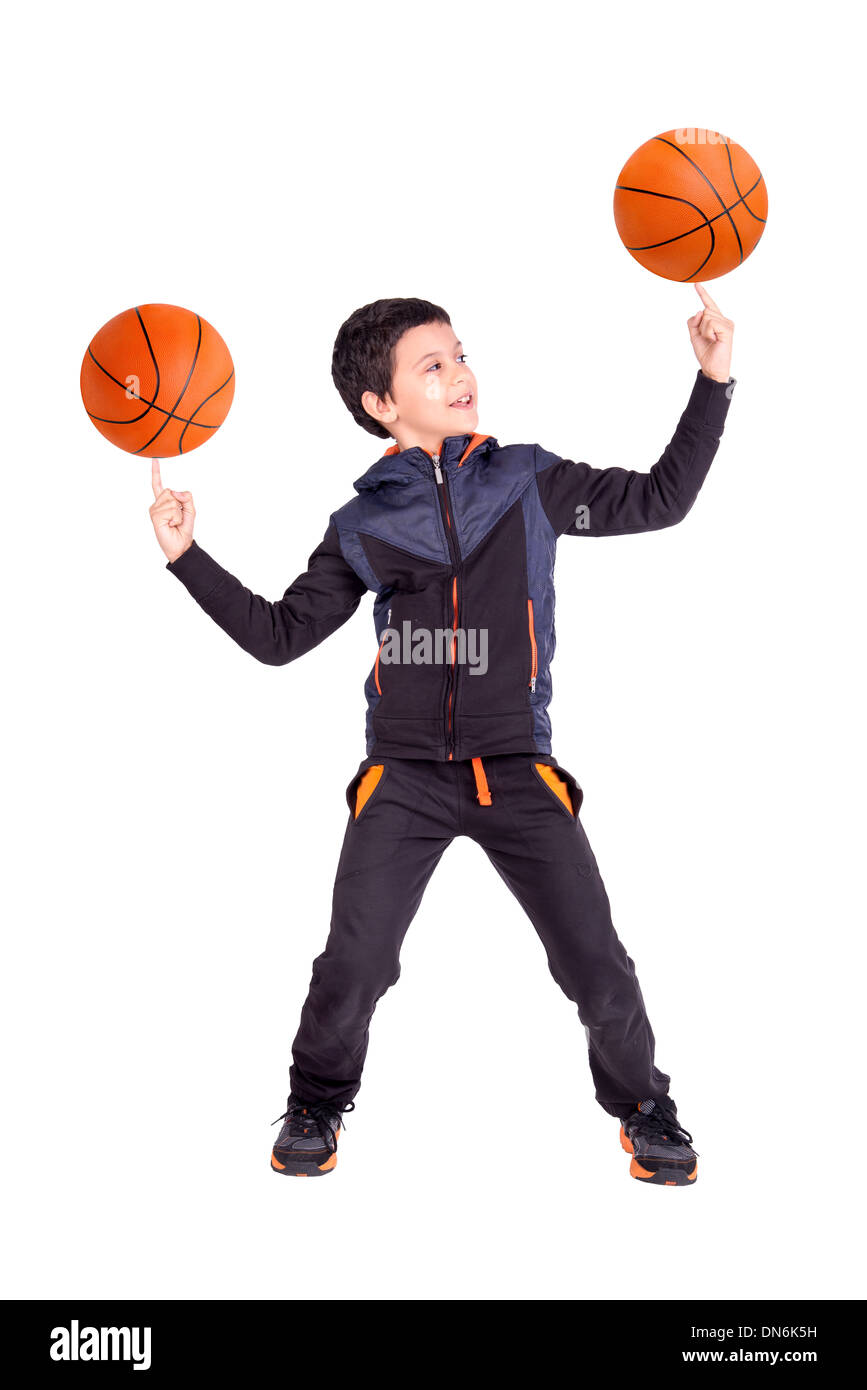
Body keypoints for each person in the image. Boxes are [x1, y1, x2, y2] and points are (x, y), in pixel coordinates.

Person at [150, 287, 735, 1186]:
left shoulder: (528, 480)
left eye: (460, 353)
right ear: (378, 406)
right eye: (433, 365)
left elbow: (662, 499)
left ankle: (644, 1106)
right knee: (355, 960)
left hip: (516, 768)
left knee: (597, 965)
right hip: (404, 778)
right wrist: (188, 557)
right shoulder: (360, 525)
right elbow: (277, 639)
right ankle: (316, 1099)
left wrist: (711, 379)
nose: (460, 373)